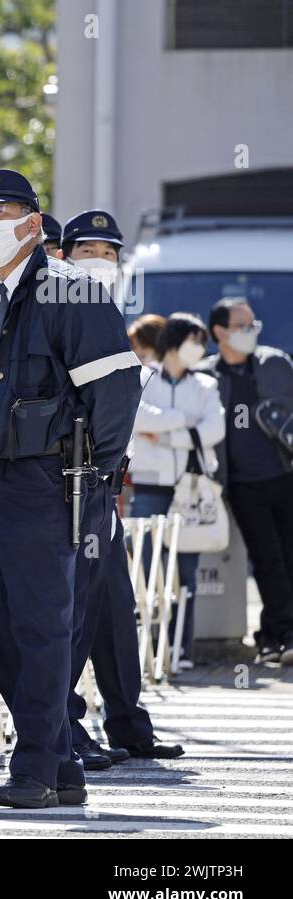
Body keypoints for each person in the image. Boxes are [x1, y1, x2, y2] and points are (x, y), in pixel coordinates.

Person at [0, 170, 142, 809]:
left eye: (1, 210)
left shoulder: (70, 291)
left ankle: (36, 767)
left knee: (41, 627)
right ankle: (60, 764)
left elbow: (116, 389)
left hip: (45, 478)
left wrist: (91, 473)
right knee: (3, 626)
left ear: (31, 219)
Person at [58, 214, 186, 763]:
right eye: (87, 249)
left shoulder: (110, 312)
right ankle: (63, 726)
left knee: (113, 610)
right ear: (61, 257)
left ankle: (129, 723)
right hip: (67, 484)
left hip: (104, 485)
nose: (99, 260)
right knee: (69, 615)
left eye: (109, 253)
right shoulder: (57, 313)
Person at [197, 298, 293, 666]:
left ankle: (278, 633)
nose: (252, 331)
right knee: (268, 561)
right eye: (243, 325)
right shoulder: (206, 375)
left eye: (255, 324)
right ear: (220, 332)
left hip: (284, 475)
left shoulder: (275, 364)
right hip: (241, 484)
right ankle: (276, 634)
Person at [127, 312, 222, 669]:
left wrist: (166, 434)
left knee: (186, 574)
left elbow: (215, 429)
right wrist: (185, 421)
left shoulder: (206, 385)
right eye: (193, 341)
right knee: (148, 572)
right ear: (174, 341)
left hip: (190, 489)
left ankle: (180, 649)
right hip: (150, 485)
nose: (198, 349)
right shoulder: (144, 376)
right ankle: (150, 650)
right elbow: (138, 418)